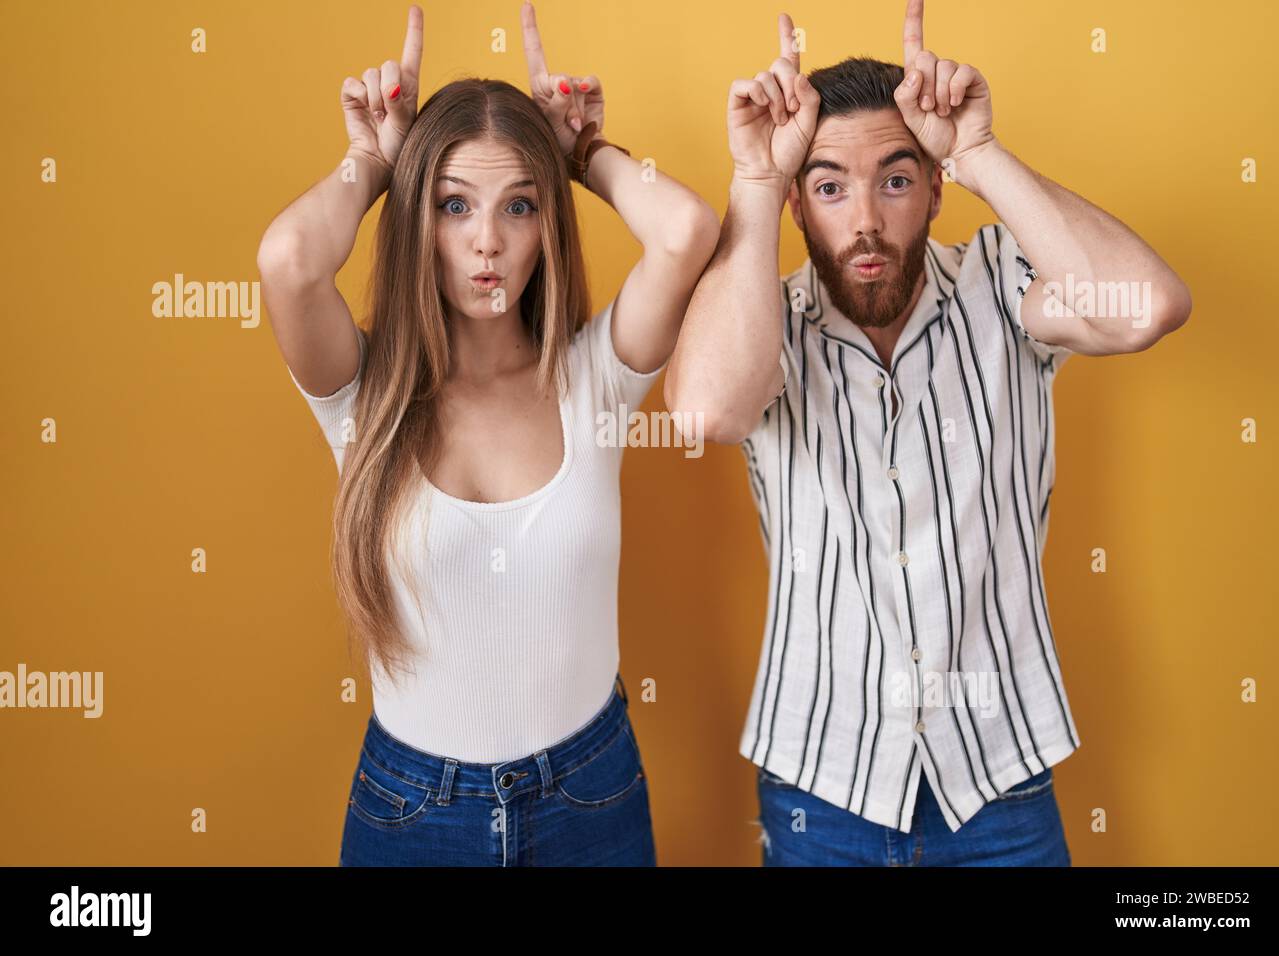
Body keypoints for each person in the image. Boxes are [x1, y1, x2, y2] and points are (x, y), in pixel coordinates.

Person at [665, 1, 1191, 866]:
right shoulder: (763, 316)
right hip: (821, 783)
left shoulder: (1001, 282)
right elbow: (708, 413)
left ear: (936, 186)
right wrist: (758, 182)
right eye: (829, 186)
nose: (865, 218)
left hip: (997, 776)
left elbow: (1149, 309)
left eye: (896, 179)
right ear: (800, 204)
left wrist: (981, 152)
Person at [257, 3, 719, 866]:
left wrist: (581, 152)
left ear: (549, 223)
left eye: (519, 205)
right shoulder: (364, 392)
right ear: (413, 219)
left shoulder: (595, 380)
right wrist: (372, 161)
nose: (487, 244)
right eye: (452, 205)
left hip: (592, 795)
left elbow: (688, 231)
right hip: (413, 812)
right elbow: (287, 260)